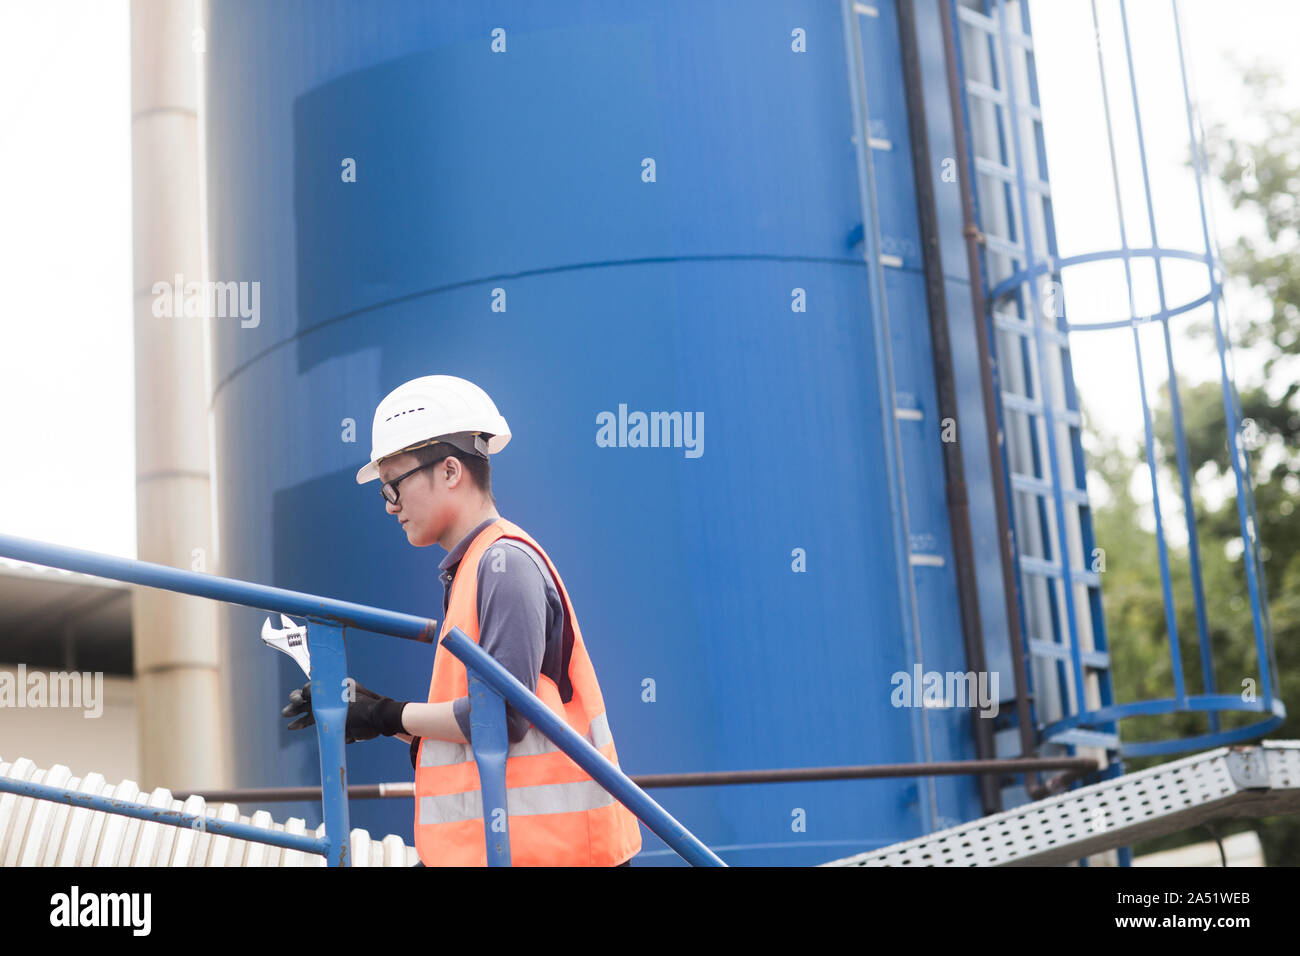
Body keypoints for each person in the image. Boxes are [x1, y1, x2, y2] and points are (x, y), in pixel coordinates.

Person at [282, 374, 641, 866]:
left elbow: (505, 719)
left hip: (552, 854)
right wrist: (375, 713)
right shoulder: (475, 568)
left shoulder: (504, 565)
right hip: (511, 851)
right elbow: (482, 726)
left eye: (395, 486)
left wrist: (387, 714)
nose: (392, 507)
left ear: (450, 470)